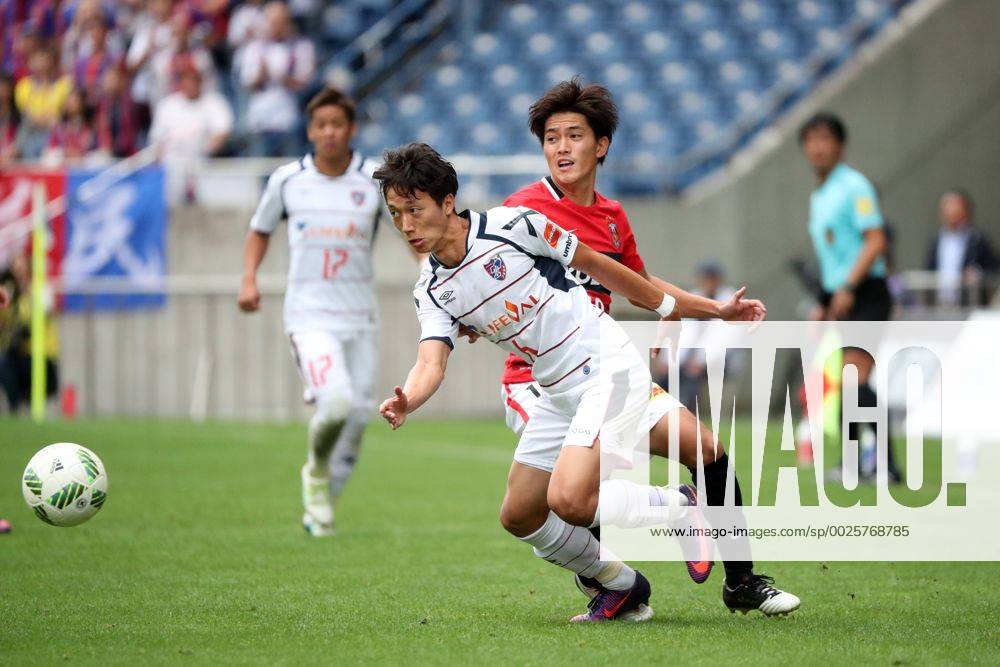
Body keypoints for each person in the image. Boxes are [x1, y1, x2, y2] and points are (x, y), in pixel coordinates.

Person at [375, 143, 801, 622]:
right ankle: (623, 584)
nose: (406, 226)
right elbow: (431, 363)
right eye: (395, 214)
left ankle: (685, 512)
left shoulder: (514, 226)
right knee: (519, 515)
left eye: (415, 210)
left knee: (571, 499)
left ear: (447, 201)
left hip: (607, 366)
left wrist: (666, 309)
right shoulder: (430, 289)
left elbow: (603, 267)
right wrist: (408, 398)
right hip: (557, 391)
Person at [490, 79, 798, 616]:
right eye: (551, 138)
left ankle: (742, 582)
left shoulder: (611, 218)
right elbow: (484, 273)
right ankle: (618, 579)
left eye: (574, 135)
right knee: (571, 496)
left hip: (608, 375)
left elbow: (644, 287)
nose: (561, 147)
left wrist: (715, 309)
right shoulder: (522, 211)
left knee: (705, 449)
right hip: (539, 383)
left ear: (601, 145)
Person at [238, 87, 384, 537]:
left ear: (351, 129)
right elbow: (260, 230)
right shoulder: (287, 180)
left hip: (360, 316)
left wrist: (428, 272)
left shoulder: (374, 180)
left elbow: (412, 230)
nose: (328, 132)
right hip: (309, 316)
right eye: (320, 125)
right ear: (310, 130)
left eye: (337, 124)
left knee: (357, 419)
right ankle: (315, 474)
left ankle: (322, 505)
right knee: (336, 402)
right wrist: (249, 278)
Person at [799, 112, 900, 482]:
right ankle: (855, 464)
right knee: (848, 380)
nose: (818, 147)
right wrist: (823, 304)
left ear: (840, 146)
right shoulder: (820, 194)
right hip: (841, 297)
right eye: (811, 140)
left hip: (867, 294)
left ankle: (886, 465)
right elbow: (834, 258)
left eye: (825, 139)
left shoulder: (855, 187)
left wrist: (848, 288)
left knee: (854, 378)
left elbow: (876, 241)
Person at [238, 1, 315, 157]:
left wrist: (279, 76)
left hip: (288, 118)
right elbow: (248, 82)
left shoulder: (301, 46)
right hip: (260, 119)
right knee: (262, 171)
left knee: (291, 171)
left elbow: (304, 82)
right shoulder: (254, 48)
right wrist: (263, 73)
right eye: (272, 21)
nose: (276, 26)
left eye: (281, 22)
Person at [148, 65, 232, 204]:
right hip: (173, 164)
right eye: (187, 81)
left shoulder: (214, 102)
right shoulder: (167, 105)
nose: (191, 86)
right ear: (180, 83)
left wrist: (206, 151)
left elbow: (223, 131)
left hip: (202, 161)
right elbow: (157, 139)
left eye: (194, 81)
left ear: (200, 82)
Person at [924, 189, 998, 306]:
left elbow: (993, 270)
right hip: (940, 304)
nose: (953, 214)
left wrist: (977, 273)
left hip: (969, 303)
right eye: (948, 209)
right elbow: (929, 271)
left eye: (957, 209)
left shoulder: (978, 240)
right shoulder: (935, 241)